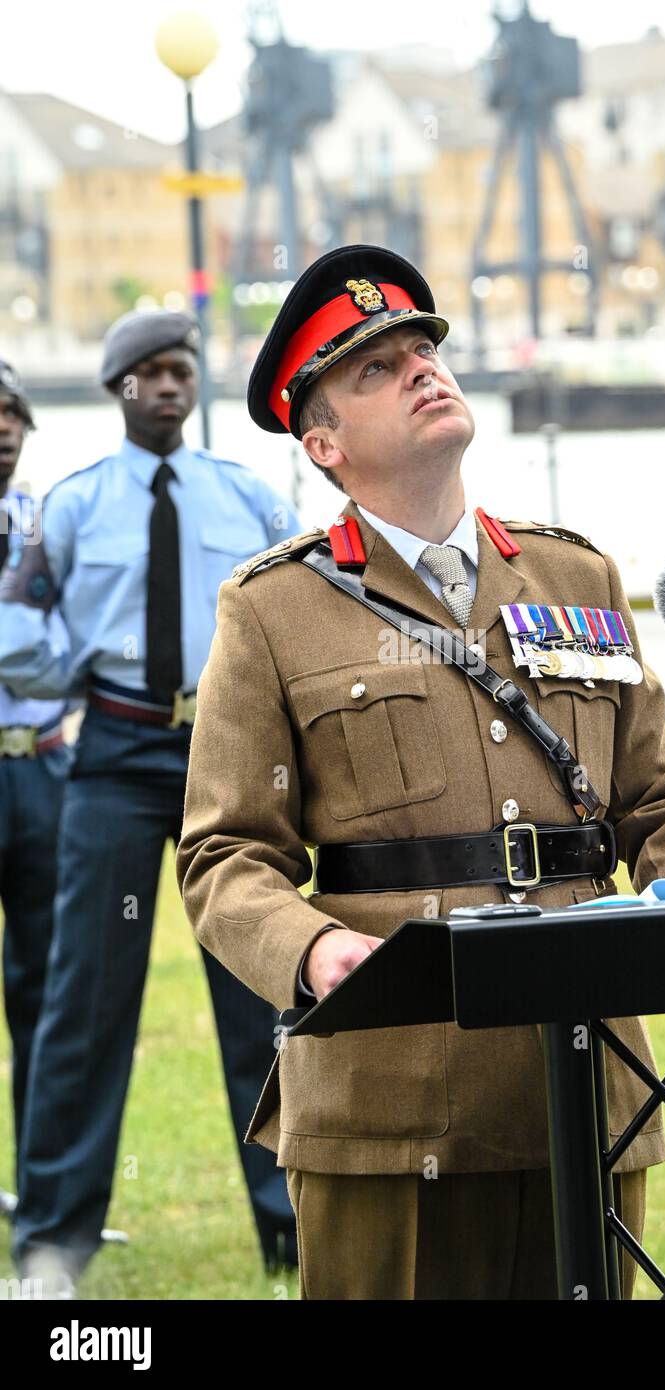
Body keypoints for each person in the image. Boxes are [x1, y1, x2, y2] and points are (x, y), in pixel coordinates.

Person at [176, 245, 665, 1300]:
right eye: (374, 369)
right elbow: (224, 854)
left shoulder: (574, 574)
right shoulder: (271, 609)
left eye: (420, 349)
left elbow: (661, 795)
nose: (420, 369)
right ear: (324, 443)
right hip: (389, 1095)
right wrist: (313, 951)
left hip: (584, 1084)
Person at [0, 311, 301, 1294]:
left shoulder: (249, 497)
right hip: (116, 754)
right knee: (82, 1005)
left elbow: (302, 612)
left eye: (180, 371)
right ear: (117, 389)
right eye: (148, 374)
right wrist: (72, 677)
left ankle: (292, 1229)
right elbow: (16, 616)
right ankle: (53, 1243)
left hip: (228, 751)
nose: (168, 386)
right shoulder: (69, 507)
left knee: (262, 993)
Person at [0, 362, 72, 1222]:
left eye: (14, 414)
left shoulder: (56, 525)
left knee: (47, 996)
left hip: (45, 771)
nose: (5, 427)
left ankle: (40, 1197)